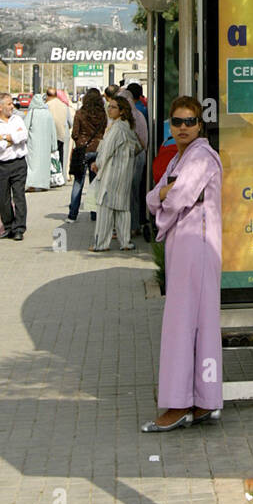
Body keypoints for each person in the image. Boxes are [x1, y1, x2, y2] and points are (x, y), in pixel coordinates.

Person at [142, 96, 223, 432]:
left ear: (200, 125)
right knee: (198, 323)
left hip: (197, 246)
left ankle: (179, 403)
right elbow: (152, 197)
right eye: (177, 122)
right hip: (188, 245)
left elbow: (175, 197)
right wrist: (163, 196)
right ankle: (204, 400)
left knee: (184, 323)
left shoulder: (201, 157)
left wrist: (164, 196)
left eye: (190, 121)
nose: (183, 128)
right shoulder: (180, 158)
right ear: (170, 125)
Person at [90, 95, 143, 252]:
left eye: (113, 107)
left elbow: (106, 151)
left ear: (121, 111)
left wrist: (97, 164)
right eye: (109, 106)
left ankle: (101, 244)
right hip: (125, 172)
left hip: (112, 173)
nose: (109, 109)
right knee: (122, 208)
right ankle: (125, 242)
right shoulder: (127, 127)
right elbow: (138, 147)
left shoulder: (117, 128)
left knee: (105, 207)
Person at [0, 93, 28, 240]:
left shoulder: (17, 119)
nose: (12, 106)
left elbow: (23, 135)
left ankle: (19, 229)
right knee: (3, 198)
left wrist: (5, 137)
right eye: (9, 104)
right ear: (0, 107)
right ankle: (8, 227)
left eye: (12, 103)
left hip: (18, 163)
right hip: (1, 166)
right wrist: (11, 139)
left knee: (19, 197)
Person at [67, 88, 106, 222]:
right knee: (95, 183)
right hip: (98, 149)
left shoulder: (80, 113)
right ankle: (94, 213)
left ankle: (73, 215)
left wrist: (80, 142)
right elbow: (105, 131)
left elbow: (74, 134)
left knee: (78, 182)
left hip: (83, 151)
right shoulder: (103, 114)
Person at [25, 93, 58, 191]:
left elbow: (25, 127)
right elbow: (53, 130)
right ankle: (43, 184)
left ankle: (31, 184)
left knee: (32, 165)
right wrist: (54, 145)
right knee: (44, 165)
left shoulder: (32, 112)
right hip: (45, 144)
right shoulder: (48, 113)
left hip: (33, 144)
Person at [45, 87, 72, 173]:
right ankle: (60, 176)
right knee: (60, 156)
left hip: (49, 136)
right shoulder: (64, 105)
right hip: (61, 135)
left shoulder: (46, 106)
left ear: (47, 96)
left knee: (49, 158)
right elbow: (70, 122)